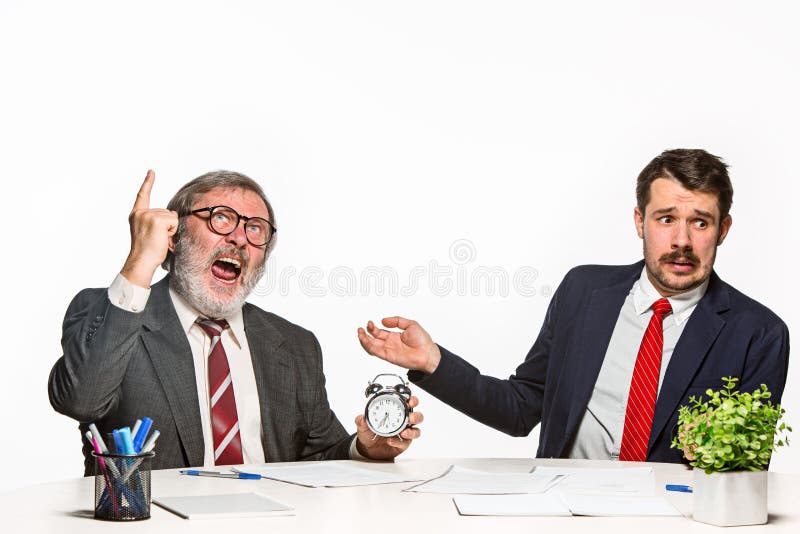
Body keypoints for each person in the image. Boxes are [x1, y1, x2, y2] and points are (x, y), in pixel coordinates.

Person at [358, 149, 789, 464]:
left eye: (700, 221)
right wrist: (434, 363)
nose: (681, 241)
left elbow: (744, 469)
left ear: (723, 229)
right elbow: (522, 407)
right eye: (665, 219)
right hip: (563, 514)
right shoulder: (584, 293)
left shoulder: (758, 334)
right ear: (639, 221)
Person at [50, 170, 422, 475]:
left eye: (256, 228)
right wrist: (139, 263)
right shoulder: (113, 312)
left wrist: (366, 448)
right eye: (221, 218)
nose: (240, 237)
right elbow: (81, 401)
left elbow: (321, 458)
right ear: (173, 237)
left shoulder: (295, 345)